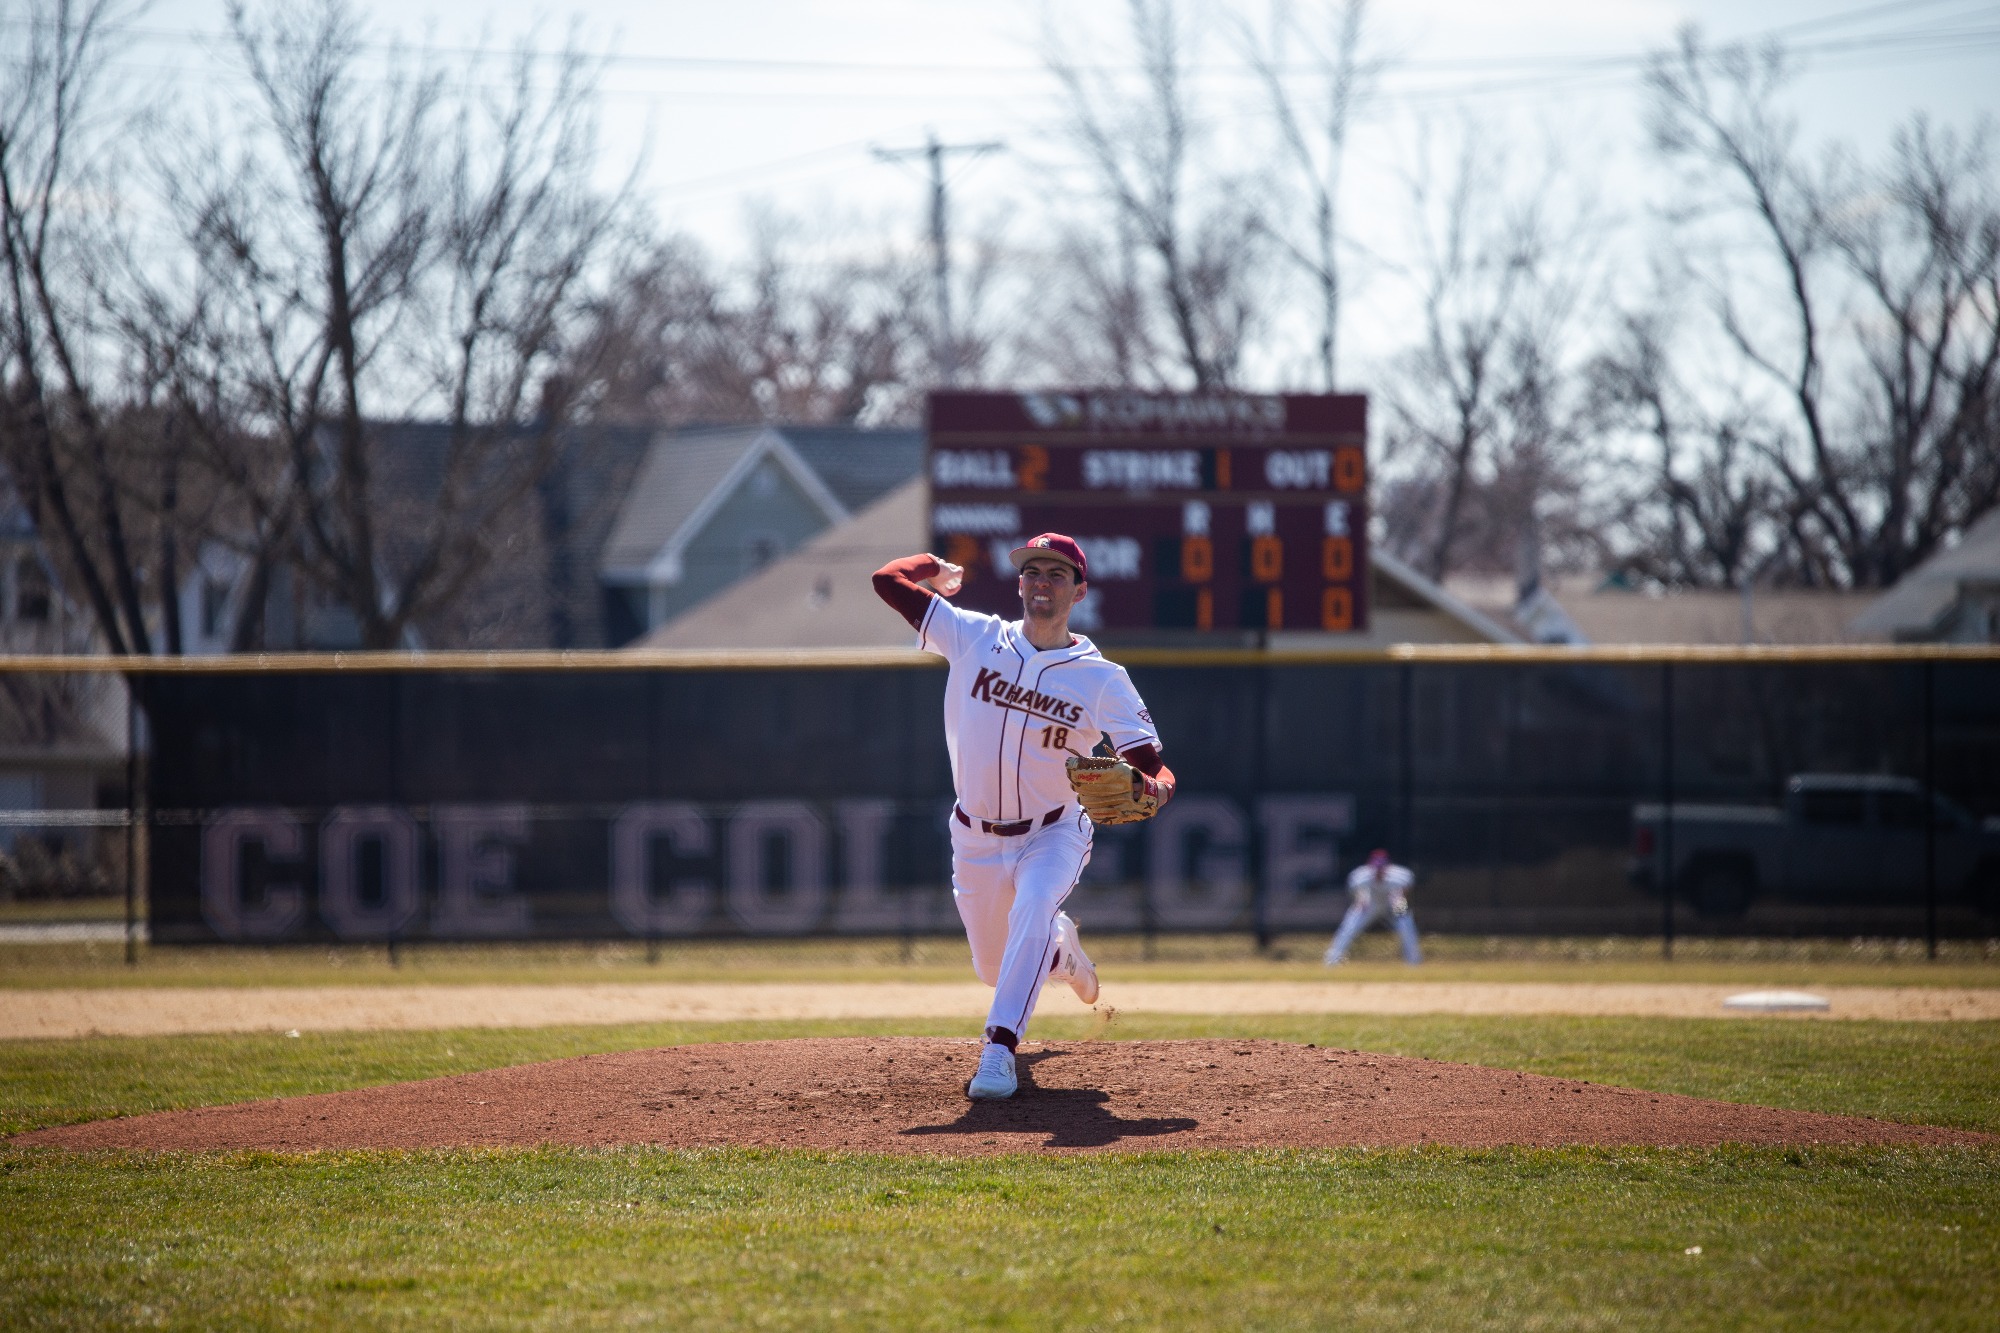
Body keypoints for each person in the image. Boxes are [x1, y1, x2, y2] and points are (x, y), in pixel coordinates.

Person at [872, 535, 1175, 1099]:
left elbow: (1155, 768)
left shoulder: (1100, 677)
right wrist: (934, 567)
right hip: (975, 836)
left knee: (1035, 902)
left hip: (1054, 830)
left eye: (1057, 574)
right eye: (1032, 571)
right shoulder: (973, 637)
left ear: (1079, 589)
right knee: (994, 966)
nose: (1042, 581)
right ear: (1018, 583)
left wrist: (1154, 792)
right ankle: (1058, 951)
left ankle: (998, 1049)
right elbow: (887, 582)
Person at [1323, 849, 1421, 965]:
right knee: (1349, 926)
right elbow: (1359, 895)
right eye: (1376, 868)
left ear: (1387, 866)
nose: (1379, 871)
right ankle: (1331, 961)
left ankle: (1414, 962)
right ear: (1371, 866)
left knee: (1406, 926)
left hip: (1393, 900)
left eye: (1381, 868)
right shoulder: (1360, 876)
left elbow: (1404, 891)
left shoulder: (1399, 875)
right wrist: (1361, 901)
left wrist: (1399, 900)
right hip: (1370, 902)